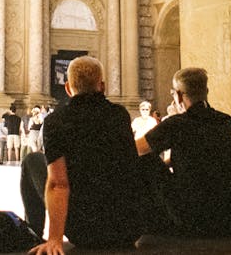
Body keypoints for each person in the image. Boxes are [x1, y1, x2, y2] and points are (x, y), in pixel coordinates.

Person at [21, 56, 145, 254]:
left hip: (84, 230)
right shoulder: (120, 114)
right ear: (102, 86)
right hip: (127, 228)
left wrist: (55, 239)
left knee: (31, 160)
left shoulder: (56, 121)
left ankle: (32, 233)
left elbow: (58, 183)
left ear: (68, 88)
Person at [135, 67, 231, 237]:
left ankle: (148, 223)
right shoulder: (225, 121)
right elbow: (203, 158)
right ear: (206, 91)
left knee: (145, 160)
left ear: (178, 95)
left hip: (195, 219)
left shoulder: (176, 124)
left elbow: (136, 149)